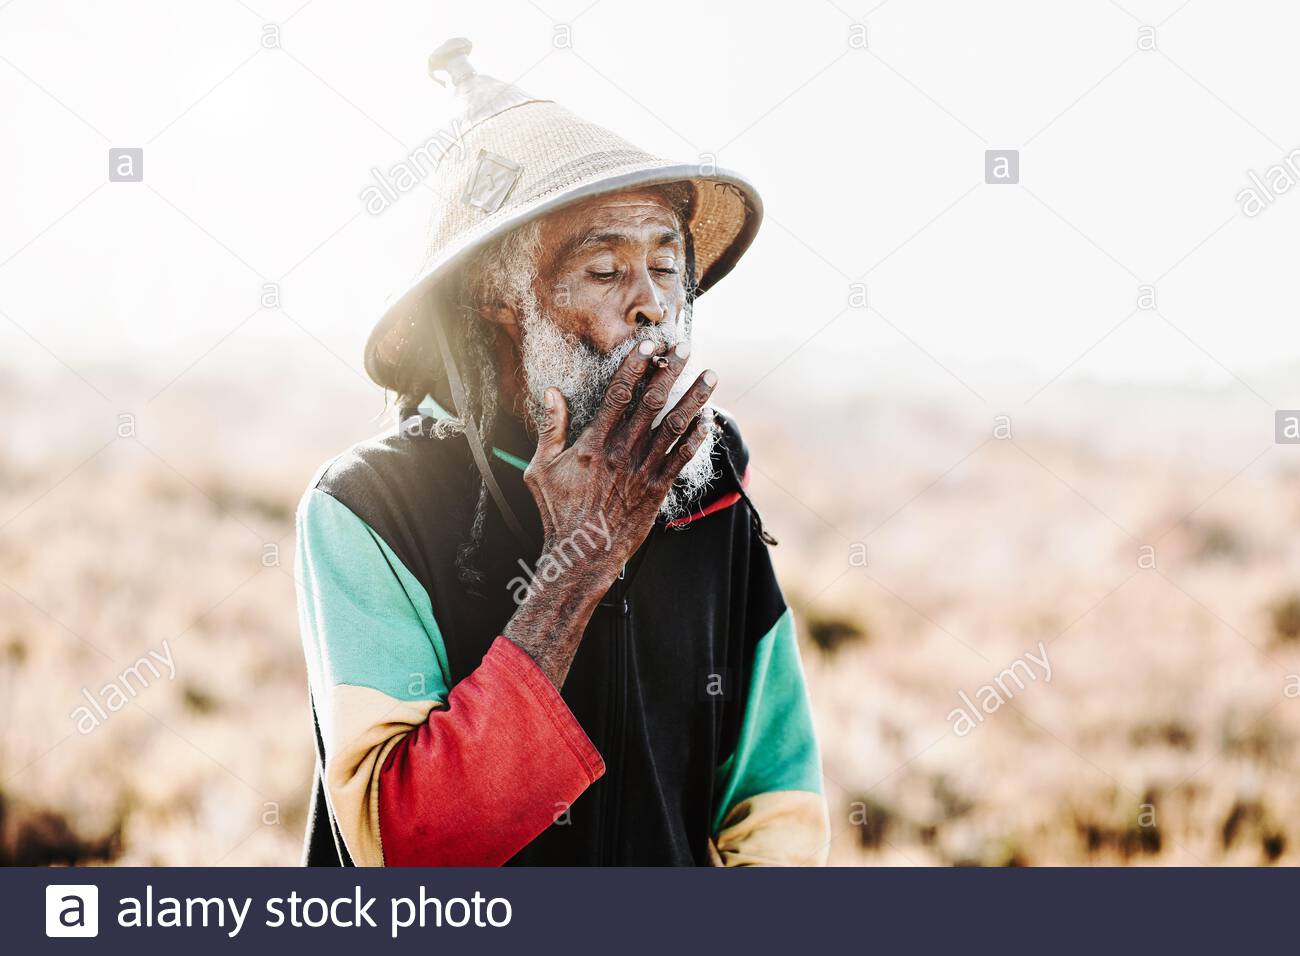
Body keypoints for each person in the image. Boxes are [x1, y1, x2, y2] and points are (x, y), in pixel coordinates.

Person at [296, 39, 828, 866]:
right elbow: (402, 845)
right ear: (496, 297)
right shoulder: (372, 507)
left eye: (664, 263)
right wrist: (582, 562)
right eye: (605, 269)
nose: (653, 304)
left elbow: (773, 800)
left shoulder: (710, 476)